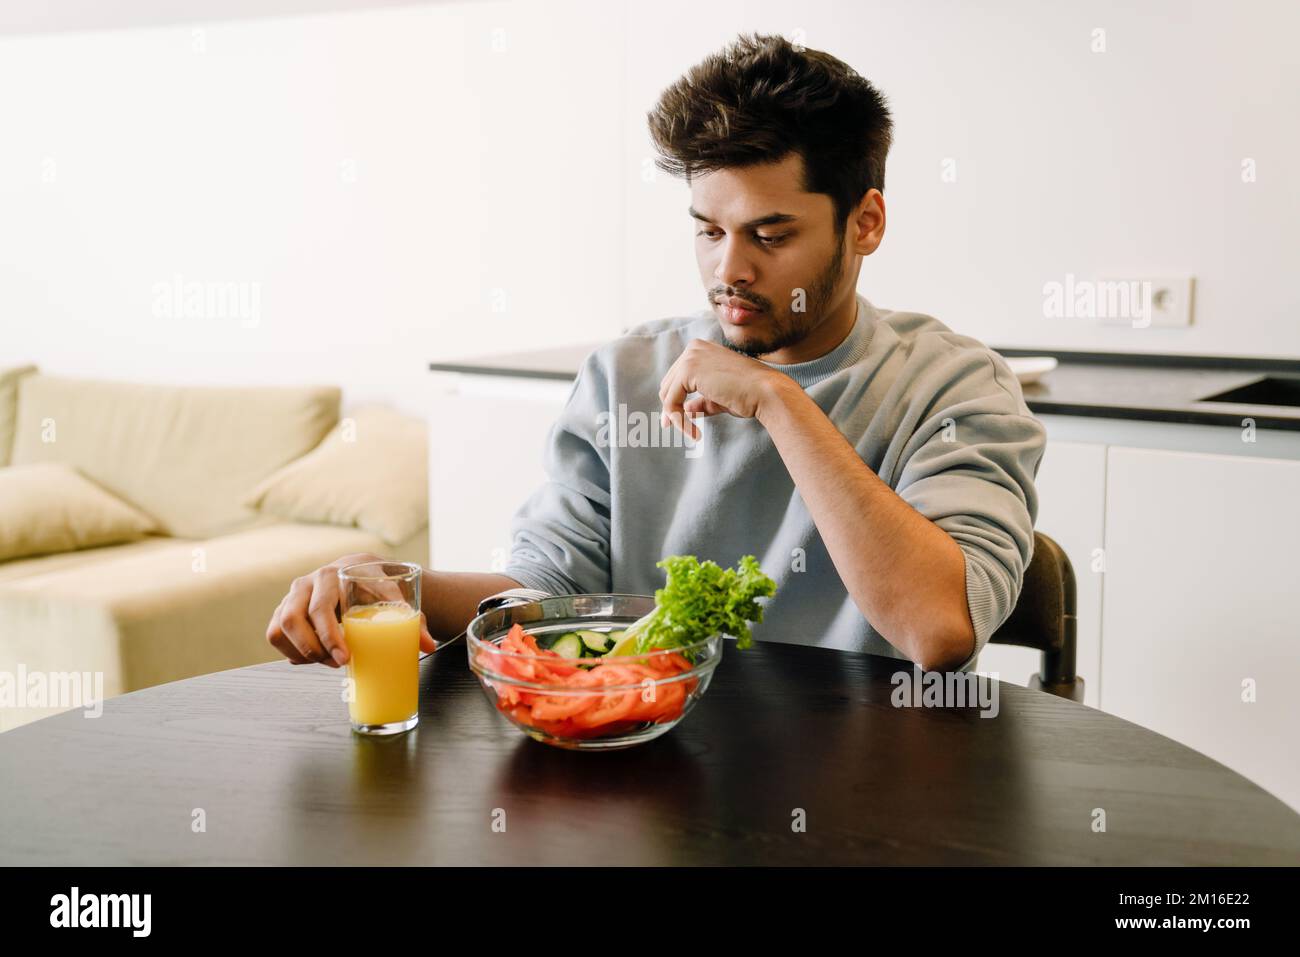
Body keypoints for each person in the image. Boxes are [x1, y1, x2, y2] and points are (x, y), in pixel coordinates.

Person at [266, 32, 1046, 674]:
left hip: (872, 790)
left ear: (865, 222)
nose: (729, 269)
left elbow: (939, 628)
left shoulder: (953, 385)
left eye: (770, 236)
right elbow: (549, 591)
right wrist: (397, 586)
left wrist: (778, 401)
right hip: (658, 772)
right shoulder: (626, 377)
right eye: (708, 230)